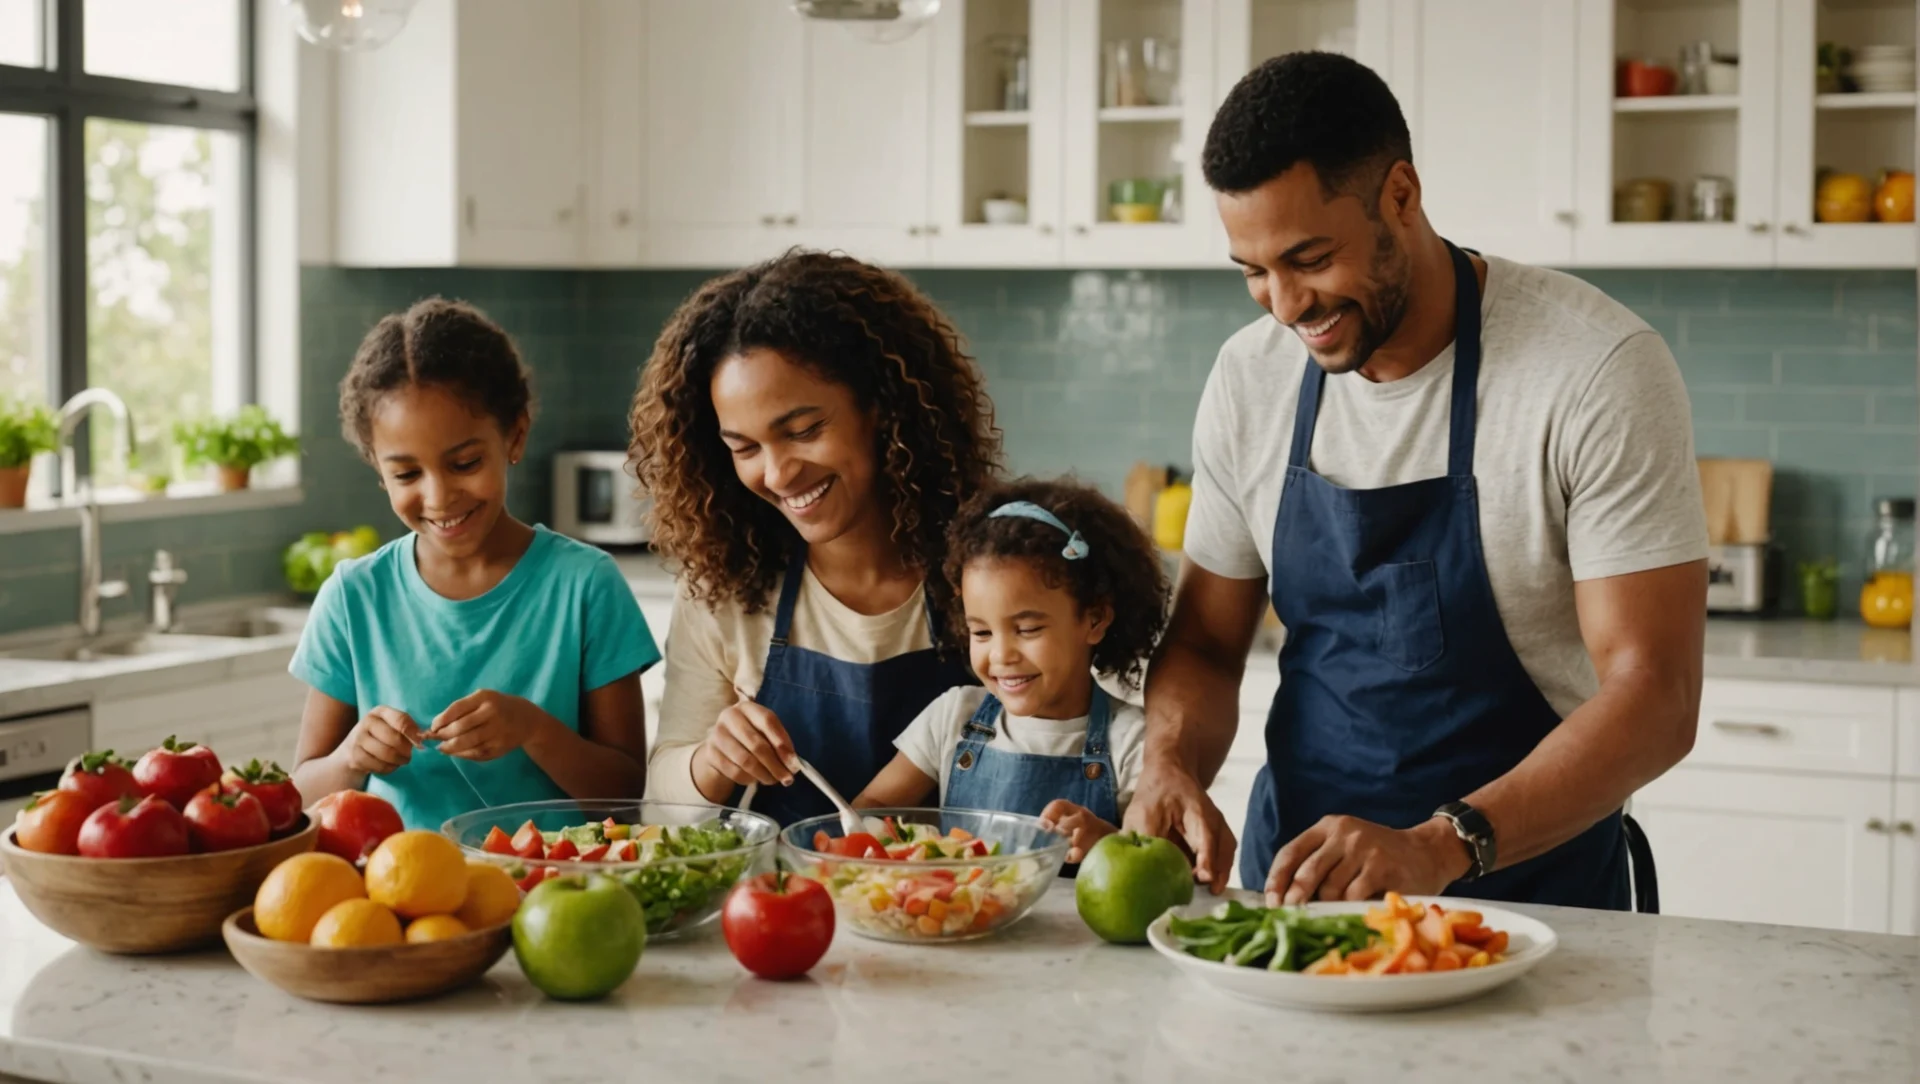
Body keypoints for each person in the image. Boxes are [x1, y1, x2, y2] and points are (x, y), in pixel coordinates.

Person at [1123, 52, 1709, 911]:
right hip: (1299, 902)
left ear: (1401, 194)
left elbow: (1656, 695)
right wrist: (1168, 761)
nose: (1285, 305)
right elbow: (1208, 645)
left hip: (1536, 907)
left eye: (1309, 258)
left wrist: (1440, 847)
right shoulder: (1250, 379)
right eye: (1253, 271)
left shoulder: (1593, 369)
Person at [631, 250, 1001, 825]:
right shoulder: (727, 588)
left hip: (968, 902)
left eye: (804, 431)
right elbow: (661, 811)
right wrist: (712, 760)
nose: (777, 475)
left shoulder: (995, 568)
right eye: (745, 448)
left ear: (881, 406)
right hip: (783, 907)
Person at [289, 298, 657, 829]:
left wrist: (535, 729)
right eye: (407, 474)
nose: (438, 497)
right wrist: (350, 759)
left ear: (515, 435)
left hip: (552, 896)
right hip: (402, 894)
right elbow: (300, 792)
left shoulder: (584, 585)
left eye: (464, 463)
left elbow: (625, 794)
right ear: (378, 468)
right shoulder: (354, 597)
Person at [853, 478, 1170, 865]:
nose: (1001, 655)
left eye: (1027, 629)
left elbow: (1174, 863)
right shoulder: (954, 716)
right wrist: (896, 845)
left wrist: (1109, 842)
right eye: (982, 632)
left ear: (1095, 618)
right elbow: (874, 805)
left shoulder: (1133, 742)